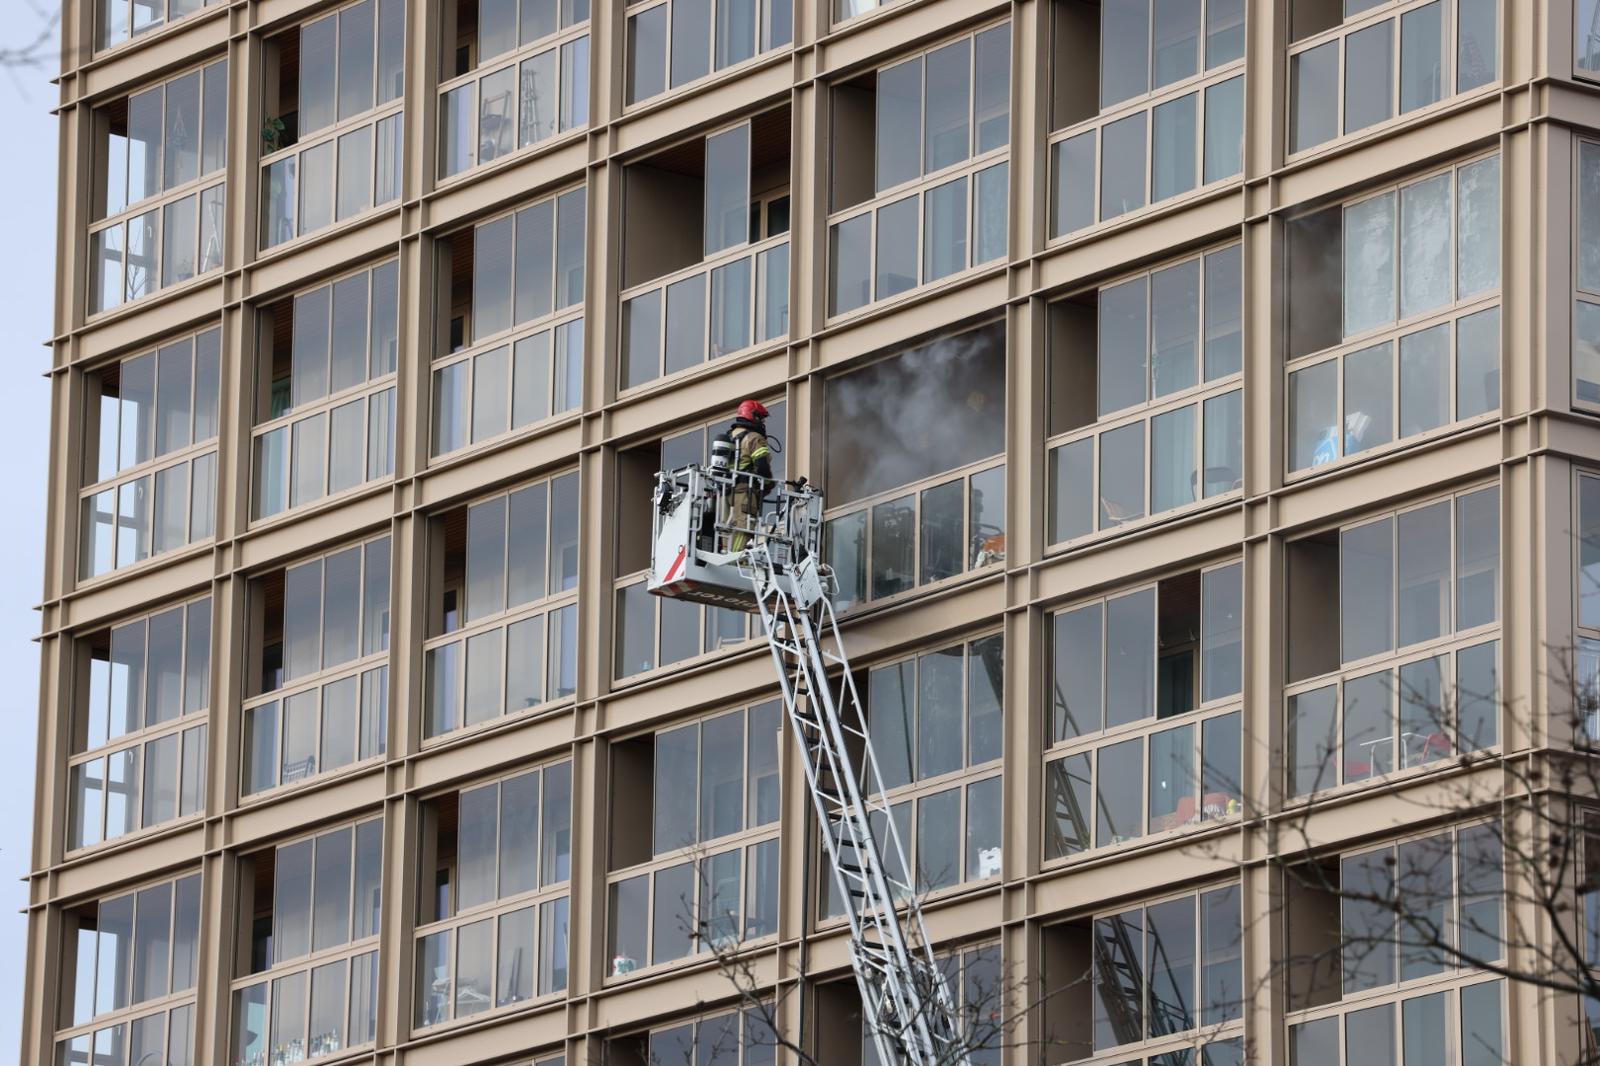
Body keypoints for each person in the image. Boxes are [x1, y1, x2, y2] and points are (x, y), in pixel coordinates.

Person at [726, 399, 773, 551]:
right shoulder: (754, 438)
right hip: (745, 493)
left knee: (725, 528)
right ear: (754, 416)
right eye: (761, 418)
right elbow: (763, 468)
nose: (763, 423)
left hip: (724, 493)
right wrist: (768, 485)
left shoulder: (728, 437)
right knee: (744, 527)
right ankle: (734, 560)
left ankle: (728, 553)